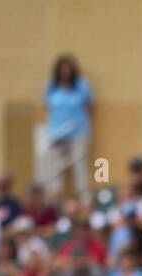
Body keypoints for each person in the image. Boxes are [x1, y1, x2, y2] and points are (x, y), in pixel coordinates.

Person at [42, 55, 93, 201]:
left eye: (68, 69)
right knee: (55, 168)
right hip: (57, 132)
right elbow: (48, 107)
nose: (66, 72)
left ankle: (85, 199)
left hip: (78, 131)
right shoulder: (51, 86)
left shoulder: (82, 85)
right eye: (63, 69)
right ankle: (54, 199)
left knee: (80, 165)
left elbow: (89, 106)